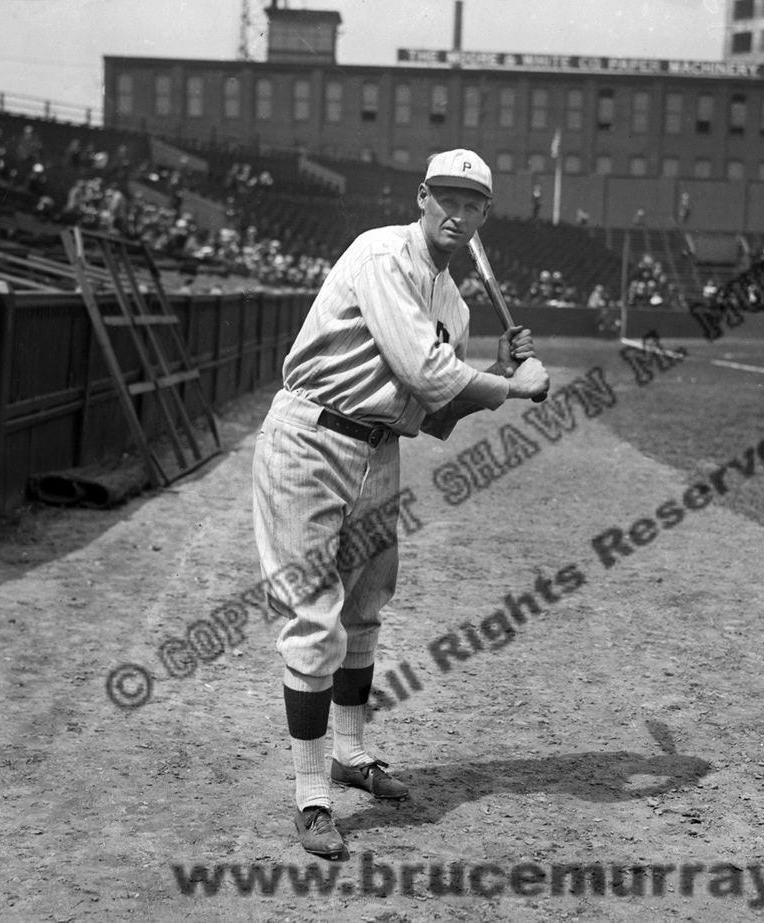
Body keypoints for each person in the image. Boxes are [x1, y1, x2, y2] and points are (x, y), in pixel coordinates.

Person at [251, 149, 550, 860]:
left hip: (377, 447)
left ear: (483, 216)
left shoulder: (454, 302)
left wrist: (501, 375)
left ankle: (352, 755)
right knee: (313, 616)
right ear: (422, 196)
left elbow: (437, 412)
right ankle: (311, 794)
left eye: (471, 202)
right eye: (445, 196)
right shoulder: (381, 254)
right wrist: (514, 388)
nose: (457, 211)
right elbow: (423, 368)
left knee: (365, 607)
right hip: (311, 436)